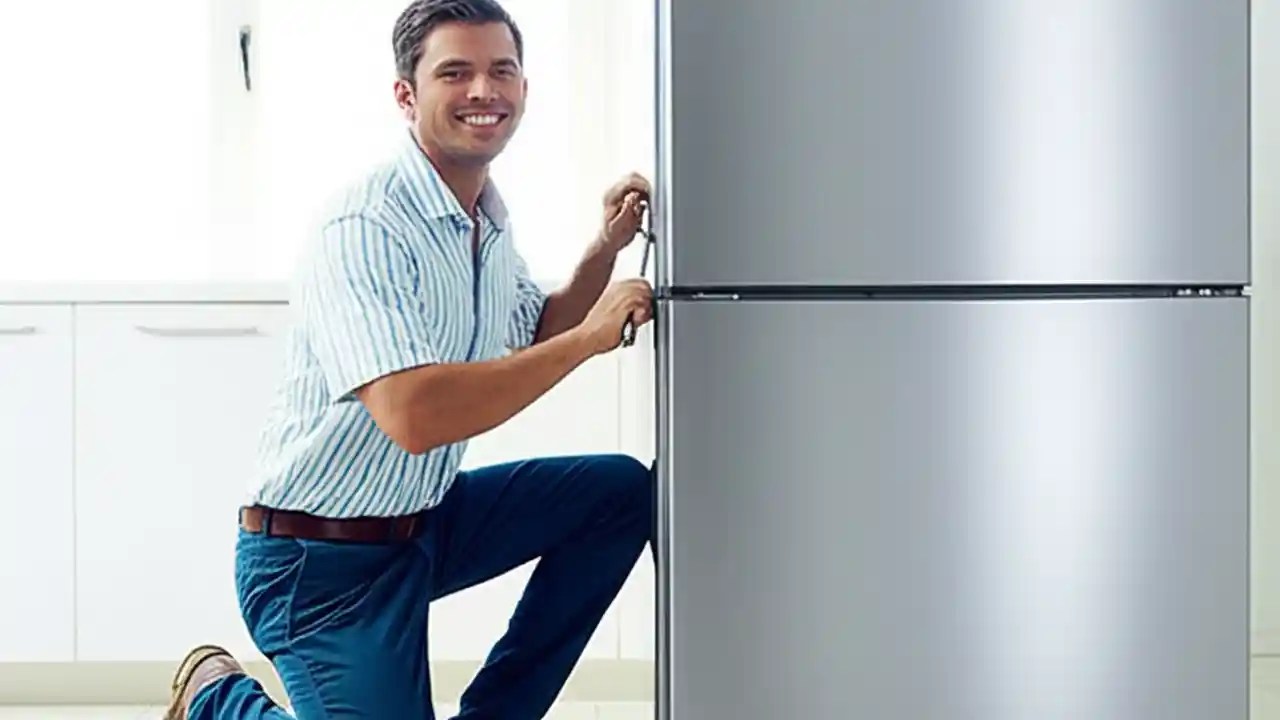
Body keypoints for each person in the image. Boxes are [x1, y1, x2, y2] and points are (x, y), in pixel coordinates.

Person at [164, 1, 655, 717]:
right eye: (455, 72)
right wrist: (589, 342)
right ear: (406, 94)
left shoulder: (481, 216)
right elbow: (414, 415)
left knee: (617, 496)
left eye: (502, 71)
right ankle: (217, 698)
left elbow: (534, 326)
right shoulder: (366, 226)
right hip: (316, 563)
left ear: (524, 88)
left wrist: (603, 250)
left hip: (424, 522)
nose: (484, 91)